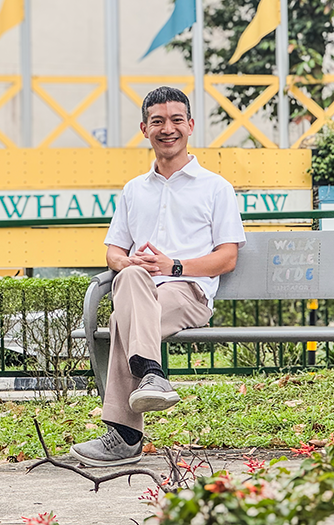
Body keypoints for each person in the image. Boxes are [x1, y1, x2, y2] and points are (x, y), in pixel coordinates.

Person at [69, 87, 246, 467]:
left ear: (190, 125)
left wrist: (173, 266)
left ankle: (125, 437)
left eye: (176, 120)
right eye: (158, 121)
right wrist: (127, 261)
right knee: (130, 279)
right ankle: (152, 374)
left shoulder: (216, 187)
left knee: (122, 320)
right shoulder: (134, 190)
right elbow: (113, 252)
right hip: (140, 289)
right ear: (144, 129)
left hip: (188, 293)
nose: (168, 129)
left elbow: (227, 257)